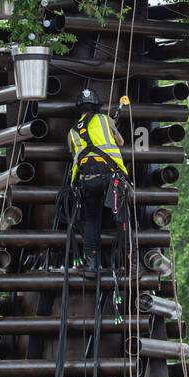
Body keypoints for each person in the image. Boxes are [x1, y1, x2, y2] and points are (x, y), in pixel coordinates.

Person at [67, 88, 128, 278]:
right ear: (96, 106)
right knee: (120, 218)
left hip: (87, 180)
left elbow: (73, 153)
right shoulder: (105, 120)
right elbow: (120, 141)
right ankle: (128, 261)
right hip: (111, 178)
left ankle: (91, 265)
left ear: (80, 109)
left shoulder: (72, 132)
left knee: (91, 221)